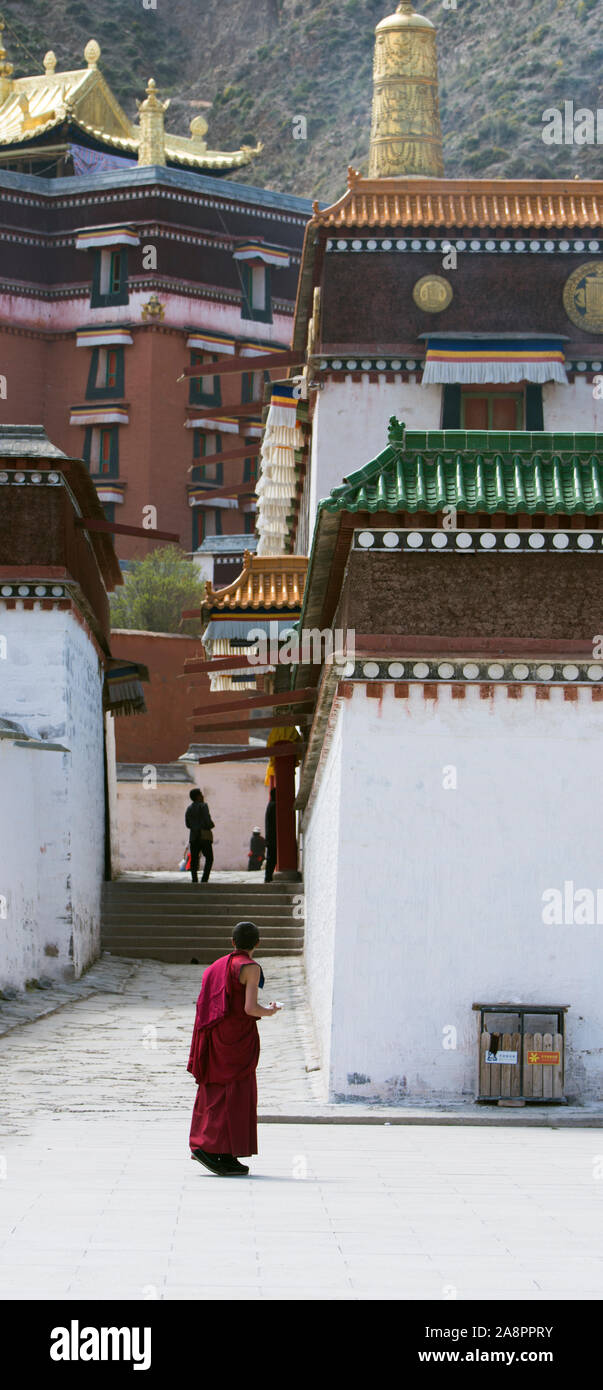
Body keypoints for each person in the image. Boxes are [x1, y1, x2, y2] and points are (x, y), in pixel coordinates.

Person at [187, 920, 281, 1176]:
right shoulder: (251, 967)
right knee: (237, 1092)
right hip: (237, 1040)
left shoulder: (216, 966)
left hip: (217, 1038)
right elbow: (250, 1008)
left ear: (232, 942)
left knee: (215, 1091)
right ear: (258, 943)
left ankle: (223, 1153)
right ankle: (210, 1148)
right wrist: (271, 1011)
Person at [185, 788, 214, 884]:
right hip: (204, 836)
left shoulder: (189, 809)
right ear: (198, 796)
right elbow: (207, 820)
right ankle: (204, 879)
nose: (203, 796)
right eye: (201, 794)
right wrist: (211, 825)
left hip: (193, 836)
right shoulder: (203, 806)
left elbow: (187, 824)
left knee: (194, 859)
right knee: (209, 858)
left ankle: (194, 879)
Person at [264, 787, 276, 883]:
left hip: (270, 836)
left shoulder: (270, 805)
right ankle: (268, 877)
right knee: (272, 858)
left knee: (271, 858)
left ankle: (268, 877)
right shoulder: (274, 805)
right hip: (273, 837)